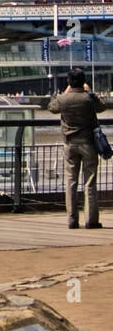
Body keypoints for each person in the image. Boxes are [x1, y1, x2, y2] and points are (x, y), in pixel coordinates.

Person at [48, 68, 107, 229]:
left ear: (69, 82)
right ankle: (91, 220)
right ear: (83, 81)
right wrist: (90, 92)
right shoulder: (88, 99)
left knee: (71, 181)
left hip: (69, 143)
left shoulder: (63, 99)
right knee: (90, 182)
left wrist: (66, 92)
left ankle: (72, 220)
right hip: (88, 144)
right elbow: (102, 107)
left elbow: (51, 107)